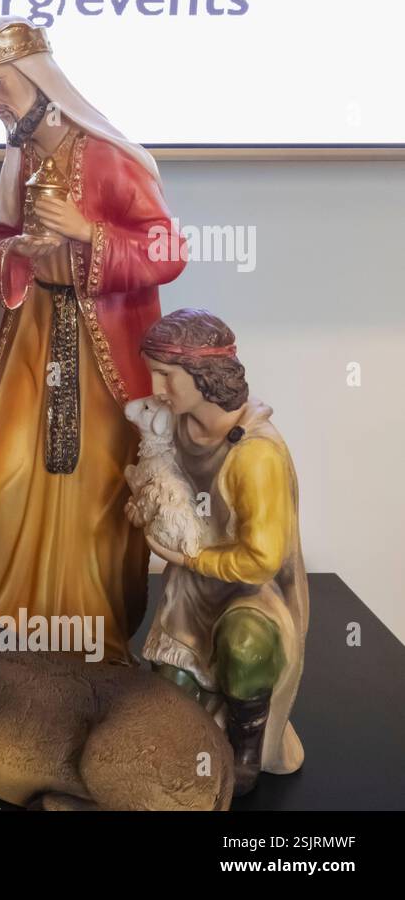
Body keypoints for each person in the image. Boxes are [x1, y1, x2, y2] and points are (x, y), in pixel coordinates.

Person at [0, 17, 186, 660]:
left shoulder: (110, 156)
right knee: (4, 467)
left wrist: (87, 233)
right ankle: (9, 631)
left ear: (34, 80)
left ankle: (87, 638)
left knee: (97, 486)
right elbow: (1, 243)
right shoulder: (21, 158)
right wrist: (19, 252)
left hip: (100, 351)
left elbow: (166, 251)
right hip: (32, 337)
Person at [133, 309, 307, 795]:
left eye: (166, 374)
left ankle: (246, 750)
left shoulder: (255, 455)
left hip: (250, 593)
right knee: (167, 705)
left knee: (244, 643)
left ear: (203, 375)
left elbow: (260, 559)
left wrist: (188, 558)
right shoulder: (178, 429)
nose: (155, 385)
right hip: (190, 598)